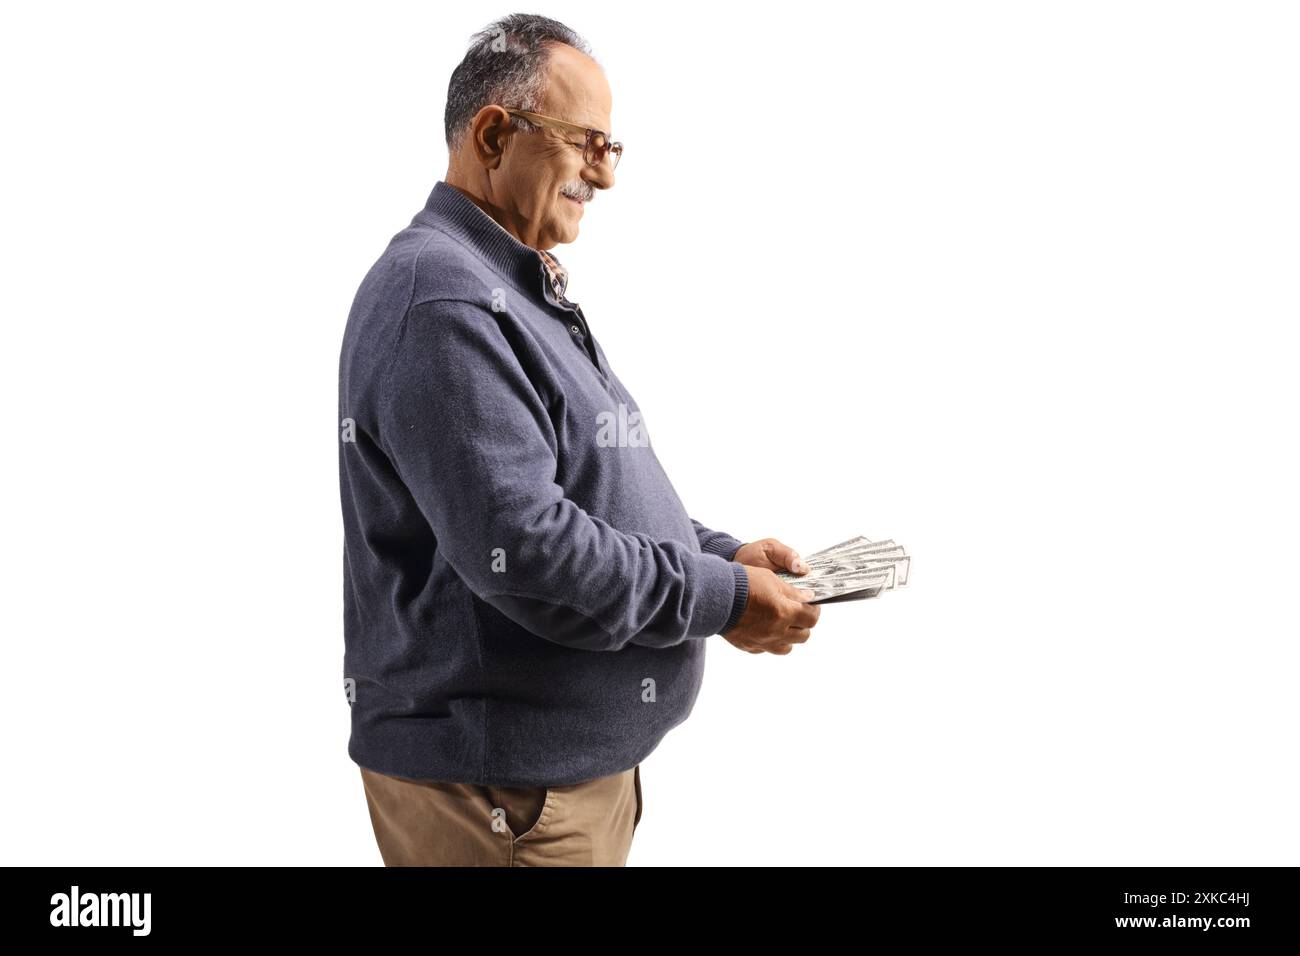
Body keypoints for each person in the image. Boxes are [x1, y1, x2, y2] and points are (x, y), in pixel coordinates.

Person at [338, 13, 820, 867]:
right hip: (506, 801)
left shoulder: (508, 286)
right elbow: (526, 550)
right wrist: (722, 596)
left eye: (613, 147)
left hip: (552, 788)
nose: (604, 174)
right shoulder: (445, 303)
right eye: (585, 143)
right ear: (494, 133)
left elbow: (585, 490)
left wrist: (725, 554)